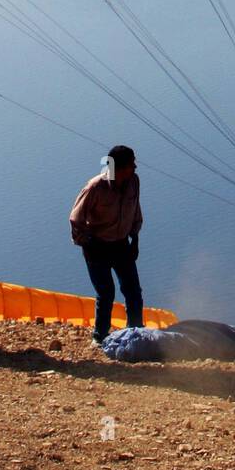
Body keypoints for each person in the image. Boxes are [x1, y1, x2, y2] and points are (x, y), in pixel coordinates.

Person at [69, 145, 144, 343]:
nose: (135, 167)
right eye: (131, 164)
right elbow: (76, 219)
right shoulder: (95, 187)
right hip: (98, 247)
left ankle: (136, 334)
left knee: (133, 290)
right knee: (106, 292)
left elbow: (135, 210)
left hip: (121, 245)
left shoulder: (133, 182)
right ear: (119, 167)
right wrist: (87, 245)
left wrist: (134, 238)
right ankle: (100, 336)